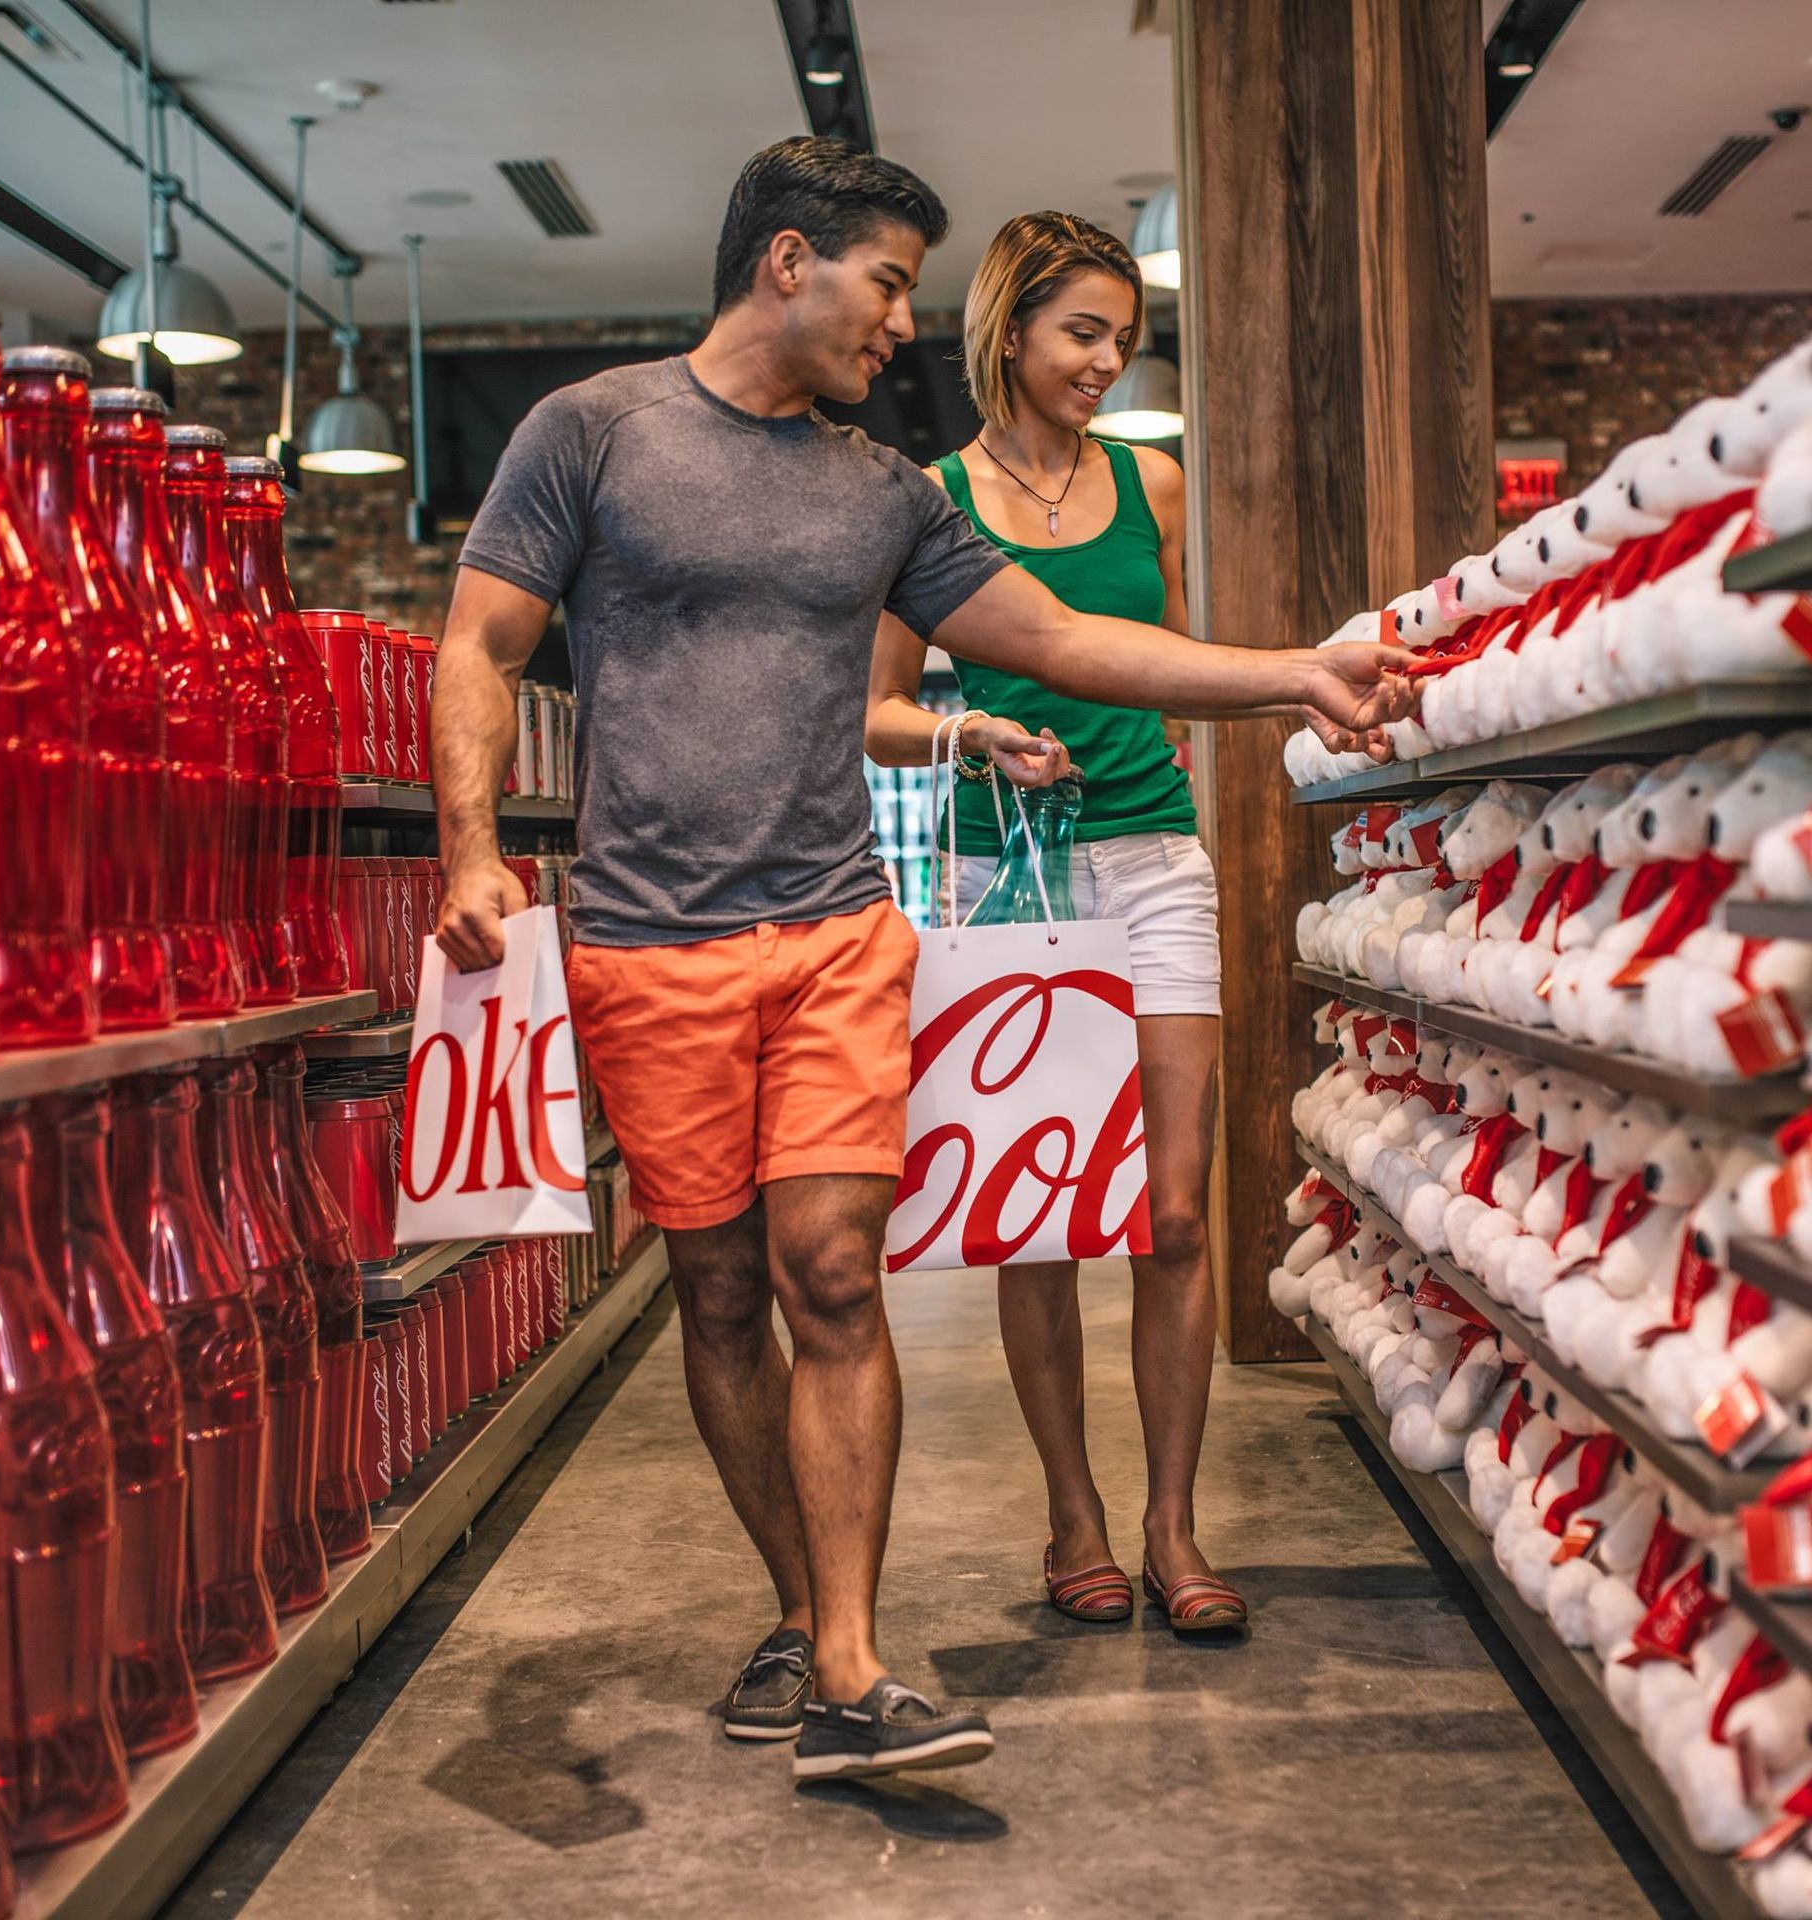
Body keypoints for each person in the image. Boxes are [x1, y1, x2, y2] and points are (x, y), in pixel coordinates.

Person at [430, 137, 1413, 1783]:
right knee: (721, 1289)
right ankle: (799, 1607)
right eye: (889, 285)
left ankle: (851, 1660)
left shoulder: (880, 493)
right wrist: (469, 847)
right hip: (643, 943)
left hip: (833, 932)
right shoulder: (591, 433)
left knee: (830, 1272)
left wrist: (1290, 675)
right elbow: (482, 640)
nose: (905, 324)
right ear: (787, 261)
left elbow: (1064, 638)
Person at [867, 210, 1349, 1633]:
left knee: (1181, 1215)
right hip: (999, 879)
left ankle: (1172, 1523)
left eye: (1122, 342)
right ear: (1007, 327)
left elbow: (1169, 658)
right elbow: (878, 714)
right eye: (1083, 333)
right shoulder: (928, 495)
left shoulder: (1155, 480)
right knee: (1039, 1217)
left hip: (1150, 862)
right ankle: (1070, 1513)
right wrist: (970, 736)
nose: (1105, 364)